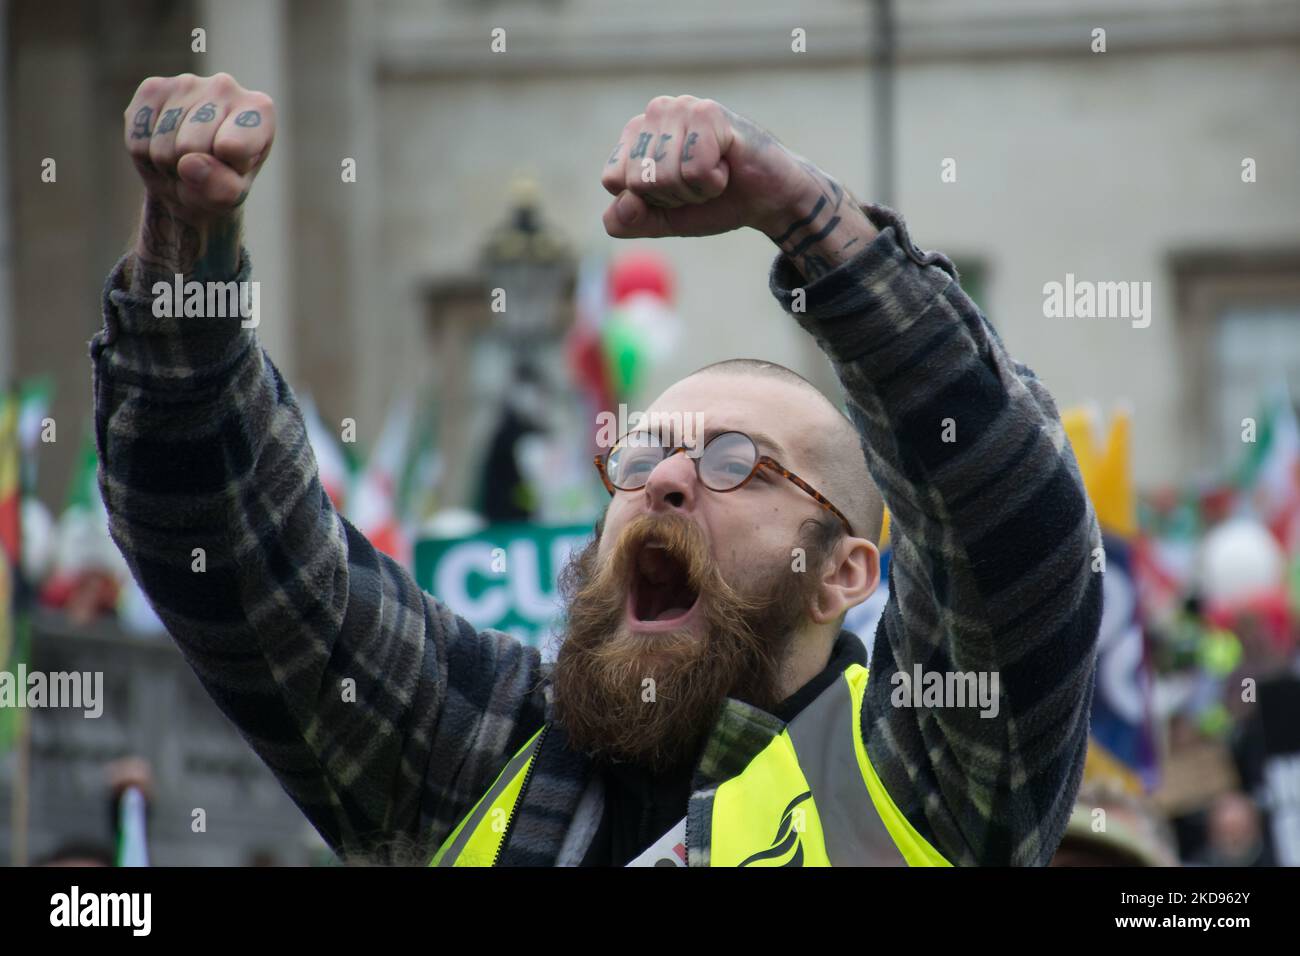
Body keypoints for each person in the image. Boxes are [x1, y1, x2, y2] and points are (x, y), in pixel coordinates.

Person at [92, 75, 1103, 866]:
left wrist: (812, 225)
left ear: (844, 572)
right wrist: (186, 257)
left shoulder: (913, 774)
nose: (665, 484)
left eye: (736, 465)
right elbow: (225, 547)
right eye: (641, 456)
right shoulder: (473, 751)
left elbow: (1016, 530)